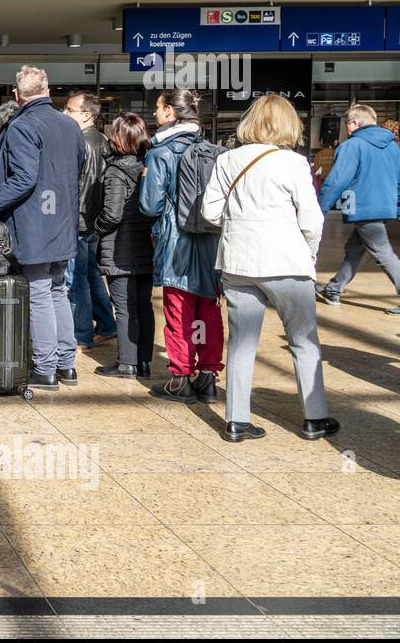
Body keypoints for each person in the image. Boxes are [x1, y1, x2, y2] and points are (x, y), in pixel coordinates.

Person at [202, 95, 336, 442]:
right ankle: (314, 418)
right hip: (285, 262)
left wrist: (239, 225)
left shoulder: (228, 159)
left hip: (238, 263)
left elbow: (210, 212)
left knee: (242, 343)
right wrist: (308, 254)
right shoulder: (293, 163)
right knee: (303, 341)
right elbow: (311, 220)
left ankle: (236, 421)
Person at [0, 66, 84, 391]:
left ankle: (45, 368)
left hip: (35, 224)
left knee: (38, 291)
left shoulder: (22, 126)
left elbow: (23, 179)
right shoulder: (70, 125)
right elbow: (78, 170)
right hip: (63, 221)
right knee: (58, 288)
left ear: (18, 96)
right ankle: (66, 365)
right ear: (48, 90)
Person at [139, 88, 223, 402]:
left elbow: (150, 205)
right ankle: (208, 375)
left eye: (159, 108)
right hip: (209, 241)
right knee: (207, 310)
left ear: (172, 113)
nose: (155, 114)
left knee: (179, 311)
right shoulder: (210, 149)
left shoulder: (160, 152)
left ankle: (181, 376)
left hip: (176, 242)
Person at [315, 103, 400, 315]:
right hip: (385, 206)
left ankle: (334, 290)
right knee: (355, 249)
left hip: (363, 207)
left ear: (354, 123)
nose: (347, 128)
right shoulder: (392, 146)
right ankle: (334, 289)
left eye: (347, 123)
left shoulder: (352, 146)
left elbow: (336, 181)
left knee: (382, 251)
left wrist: (320, 209)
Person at [91, 113, 155, 378]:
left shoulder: (116, 172)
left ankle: (127, 362)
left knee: (125, 307)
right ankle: (143, 361)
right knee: (143, 304)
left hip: (121, 250)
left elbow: (112, 214)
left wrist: (96, 229)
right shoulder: (146, 166)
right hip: (145, 246)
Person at [64, 92, 117, 351]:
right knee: (91, 275)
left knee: (77, 280)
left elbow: (85, 188)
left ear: (87, 114)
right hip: (90, 220)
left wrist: (74, 219)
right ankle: (107, 325)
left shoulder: (87, 142)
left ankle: (81, 334)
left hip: (82, 221)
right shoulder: (98, 140)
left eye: (69, 109)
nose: (65, 114)